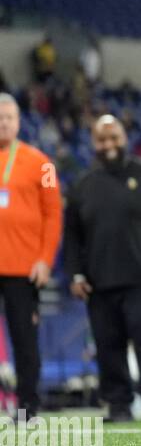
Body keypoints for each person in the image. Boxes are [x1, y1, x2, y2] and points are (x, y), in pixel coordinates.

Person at [64, 115, 141, 423]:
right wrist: (75, 275)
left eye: (113, 137)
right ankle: (118, 407)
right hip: (99, 283)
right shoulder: (82, 187)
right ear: (93, 143)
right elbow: (72, 238)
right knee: (108, 347)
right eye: (102, 139)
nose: (109, 144)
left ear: (124, 138)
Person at [0, 94, 62, 418]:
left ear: (19, 121)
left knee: (24, 339)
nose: (3, 122)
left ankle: (26, 406)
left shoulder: (43, 164)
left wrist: (45, 258)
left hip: (23, 267)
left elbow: (54, 214)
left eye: (9, 117)